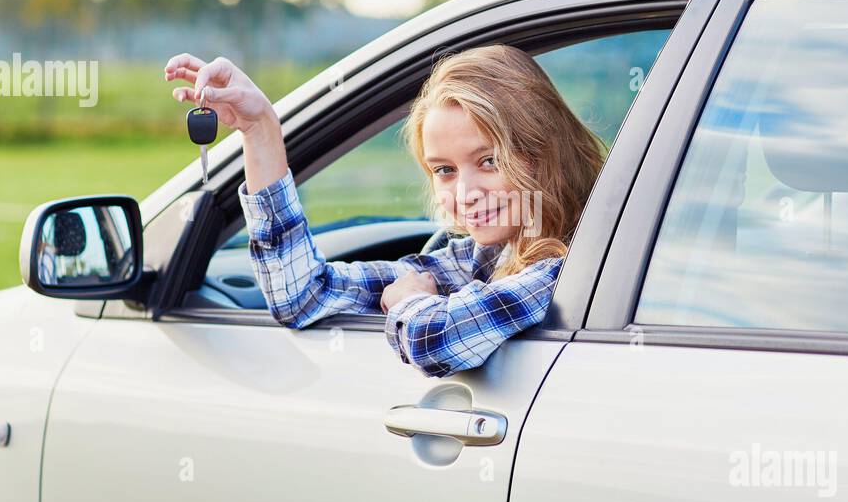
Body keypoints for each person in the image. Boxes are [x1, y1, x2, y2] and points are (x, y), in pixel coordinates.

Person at [163, 45, 605, 377]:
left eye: (489, 161)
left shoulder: (566, 268)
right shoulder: (480, 259)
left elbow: (436, 339)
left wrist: (411, 300)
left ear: (543, 154)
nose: (466, 192)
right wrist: (260, 130)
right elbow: (302, 295)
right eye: (445, 171)